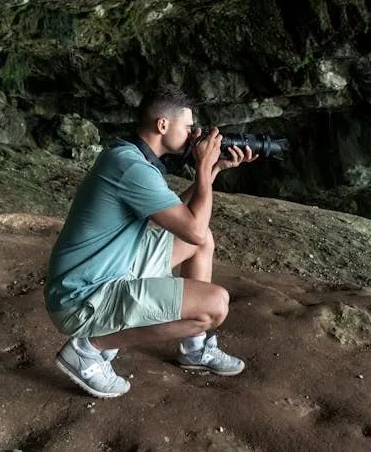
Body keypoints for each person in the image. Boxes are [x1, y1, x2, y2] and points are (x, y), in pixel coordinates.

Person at [43, 85, 258, 398]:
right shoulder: (132, 167)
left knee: (201, 242)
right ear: (162, 125)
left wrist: (211, 171)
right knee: (213, 307)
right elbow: (193, 228)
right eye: (188, 127)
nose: (194, 135)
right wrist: (200, 167)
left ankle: (193, 349)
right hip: (82, 298)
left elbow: (184, 223)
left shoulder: (129, 156)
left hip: (109, 269)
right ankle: (89, 348)